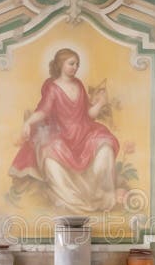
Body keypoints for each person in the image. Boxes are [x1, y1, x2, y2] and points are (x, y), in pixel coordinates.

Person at [9, 48, 120, 212]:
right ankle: (72, 200)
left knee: (105, 144)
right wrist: (28, 123)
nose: (75, 67)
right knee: (50, 151)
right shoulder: (53, 88)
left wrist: (100, 104)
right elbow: (43, 111)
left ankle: (99, 196)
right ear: (61, 64)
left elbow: (88, 114)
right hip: (61, 133)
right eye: (71, 63)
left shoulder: (79, 85)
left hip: (84, 132)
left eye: (77, 64)